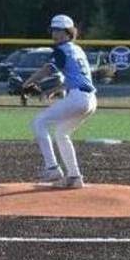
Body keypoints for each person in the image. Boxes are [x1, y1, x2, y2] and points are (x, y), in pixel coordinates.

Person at [23, 14, 98, 188]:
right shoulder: (77, 49)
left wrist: (27, 83)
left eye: (59, 30)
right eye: (53, 30)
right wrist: (55, 90)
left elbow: (47, 70)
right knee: (61, 134)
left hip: (78, 98)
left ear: (68, 32)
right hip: (90, 100)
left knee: (39, 122)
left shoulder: (61, 50)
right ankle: (74, 177)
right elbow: (76, 79)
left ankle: (52, 168)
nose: (55, 34)